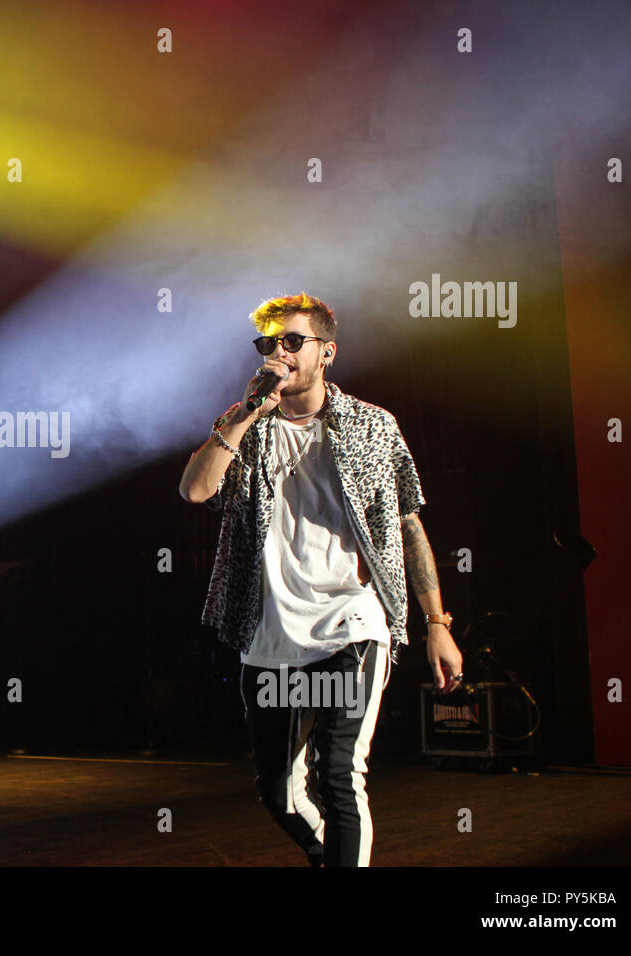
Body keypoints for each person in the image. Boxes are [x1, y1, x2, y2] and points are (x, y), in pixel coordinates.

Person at [178, 293, 463, 867]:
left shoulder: (374, 427)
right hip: (272, 633)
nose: (278, 353)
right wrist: (246, 412)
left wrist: (436, 622)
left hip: (350, 625)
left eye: (291, 341)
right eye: (268, 344)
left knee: (338, 775)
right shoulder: (247, 427)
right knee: (279, 792)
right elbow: (195, 490)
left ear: (327, 351)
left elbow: (408, 525)